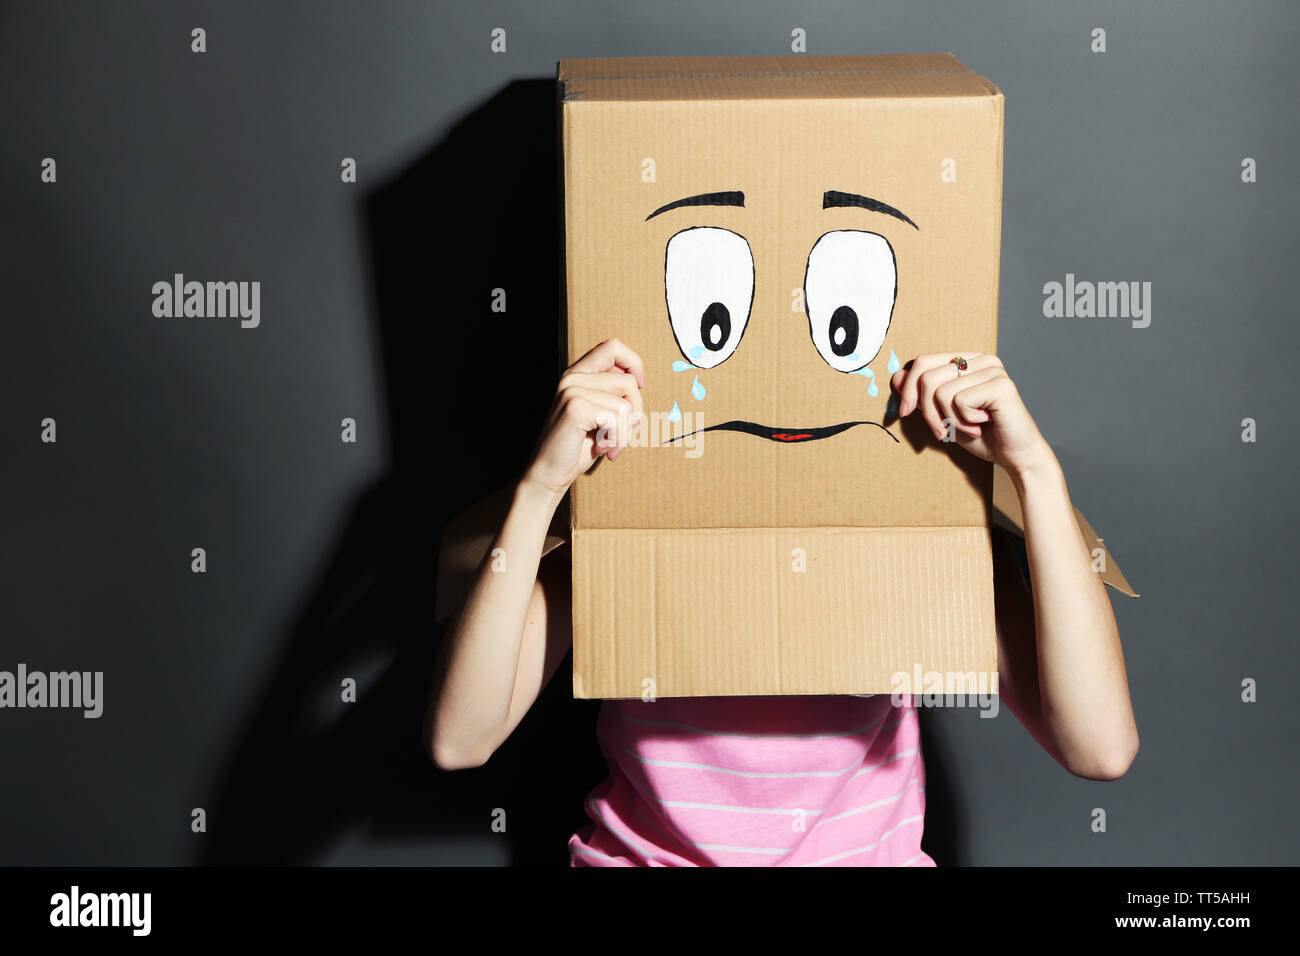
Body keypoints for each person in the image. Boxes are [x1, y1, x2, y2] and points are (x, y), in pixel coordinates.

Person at [422, 337, 1139, 866]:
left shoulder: (915, 537)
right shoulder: (628, 525)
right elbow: (461, 738)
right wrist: (542, 489)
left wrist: (1034, 471)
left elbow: (1100, 747)